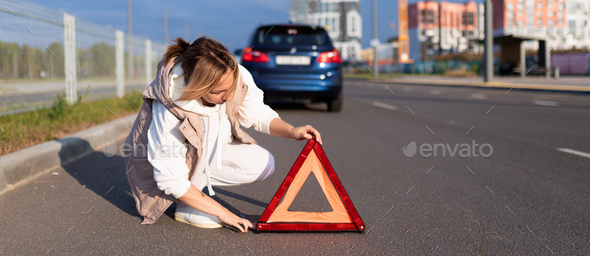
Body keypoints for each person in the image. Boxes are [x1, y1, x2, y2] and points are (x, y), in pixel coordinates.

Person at [123, 36, 322, 233]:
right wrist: (222, 212)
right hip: (159, 167)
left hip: (203, 151)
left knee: (263, 164)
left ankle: (195, 194)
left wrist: (291, 131)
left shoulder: (235, 74)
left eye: (231, 87)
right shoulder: (169, 103)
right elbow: (170, 177)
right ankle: (188, 207)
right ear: (198, 87)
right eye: (220, 92)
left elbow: (256, 113)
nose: (228, 97)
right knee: (209, 125)